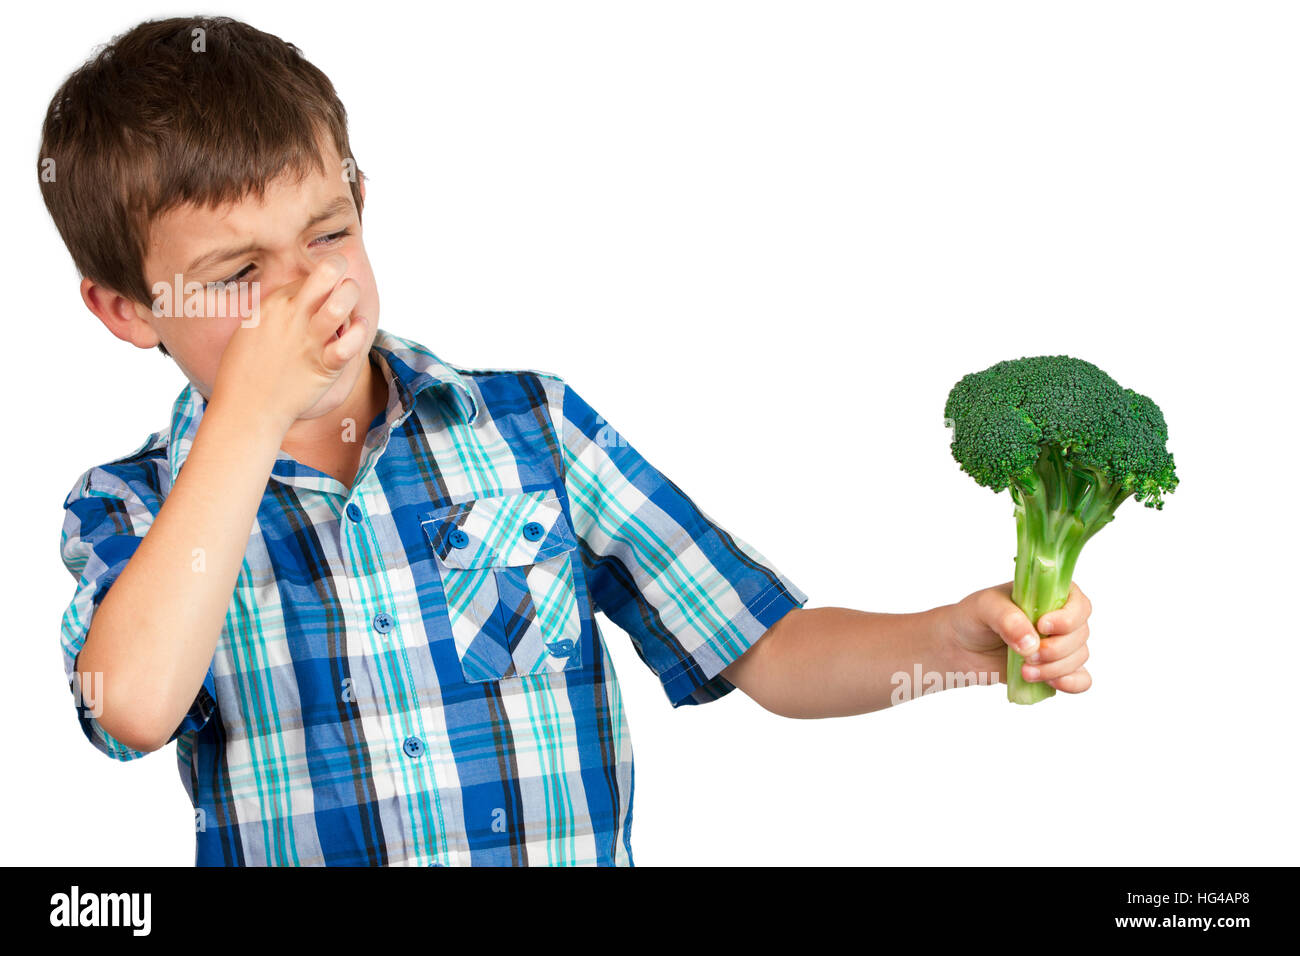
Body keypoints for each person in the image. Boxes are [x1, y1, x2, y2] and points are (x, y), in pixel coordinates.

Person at [43, 16, 1093, 866]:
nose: (307, 291)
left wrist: (941, 646)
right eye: (237, 275)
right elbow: (132, 706)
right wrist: (249, 415)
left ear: (363, 203)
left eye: (328, 233)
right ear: (127, 309)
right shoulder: (132, 507)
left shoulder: (531, 429)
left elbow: (765, 648)